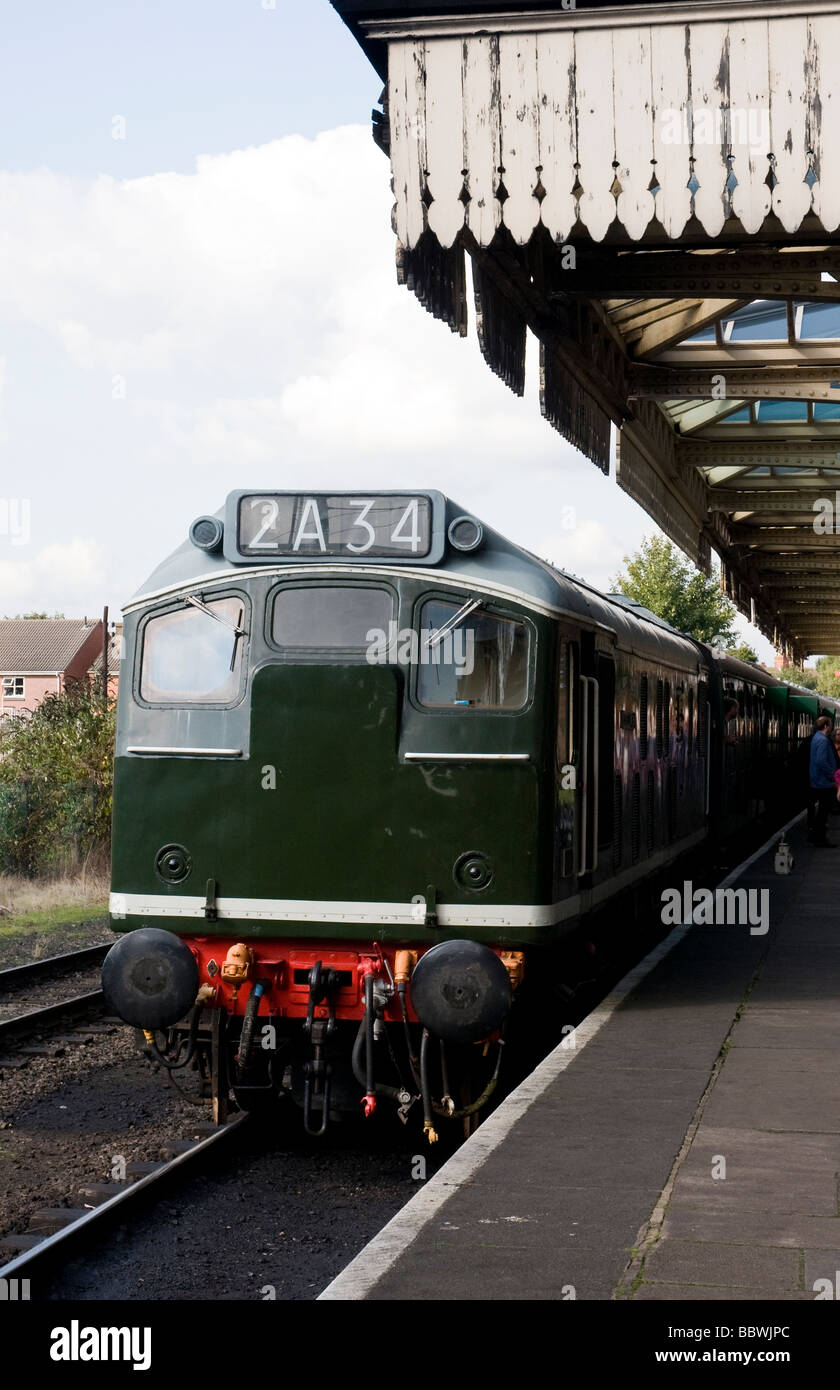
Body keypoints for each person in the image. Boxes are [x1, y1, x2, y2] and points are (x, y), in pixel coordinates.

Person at [809, 715, 838, 846]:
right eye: (830, 724)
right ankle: (819, 838)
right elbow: (821, 761)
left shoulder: (816, 738)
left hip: (817, 779)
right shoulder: (823, 740)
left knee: (821, 811)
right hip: (823, 781)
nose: (832, 727)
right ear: (826, 726)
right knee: (823, 812)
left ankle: (815, 836)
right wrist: (833, 776)